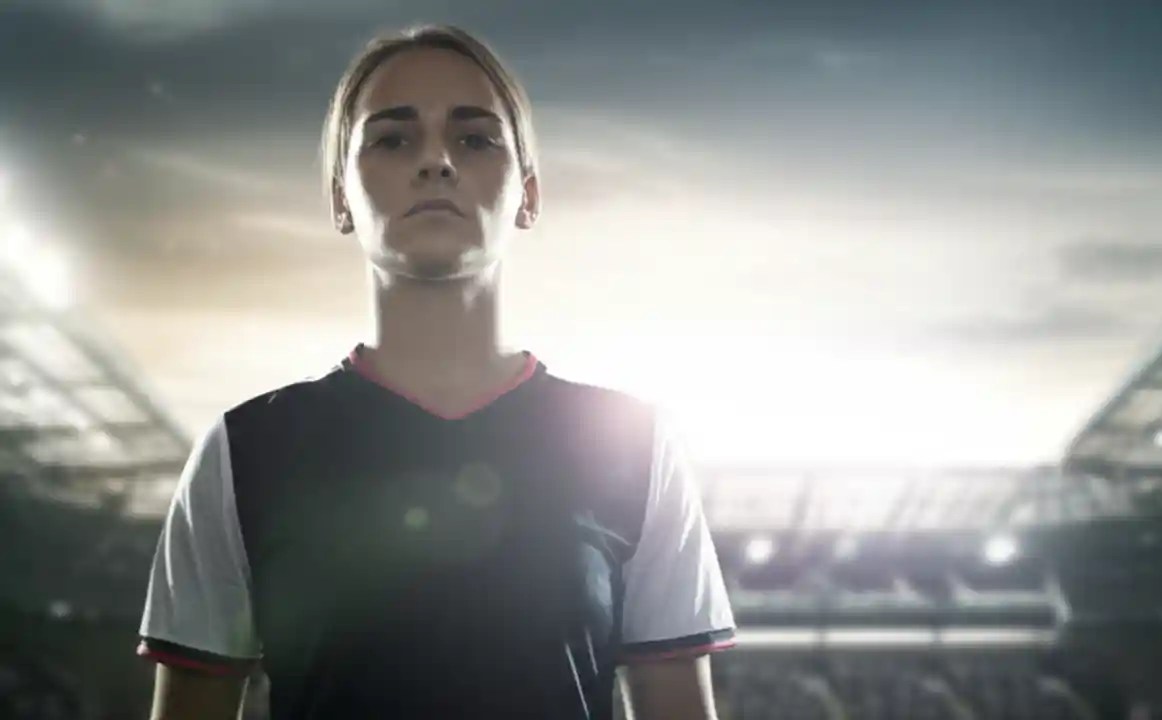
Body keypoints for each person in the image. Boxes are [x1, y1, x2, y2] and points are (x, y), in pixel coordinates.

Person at [137, 23, 737, 720]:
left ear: (529, 193)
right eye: (393, 138)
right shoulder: (244, 450)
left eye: (475, 138)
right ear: (339, 197)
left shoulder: (633, 442)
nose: (437, 162)